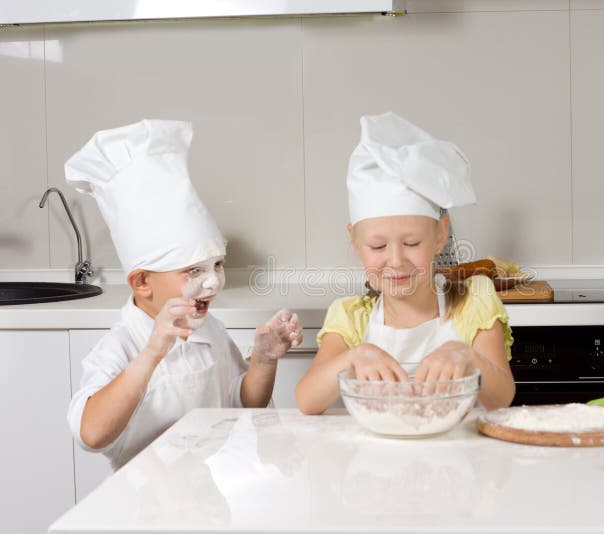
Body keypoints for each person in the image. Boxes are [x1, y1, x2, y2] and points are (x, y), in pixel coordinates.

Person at [66, 119, 302, 469]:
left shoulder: (211, 332)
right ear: (142, 282)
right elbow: (91, 435)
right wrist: (152, 353)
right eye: (193, 271)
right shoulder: (122, 346)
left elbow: (243, 405)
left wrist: (264, 360)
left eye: (217, 265)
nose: (213, 283)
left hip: (211, 500)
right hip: (144, 510)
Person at [295, 112, 515, 414]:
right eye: (378, 245)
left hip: (457, 455)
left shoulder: (472, 304)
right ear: (356, 242)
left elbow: (502, 397)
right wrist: (353, 357)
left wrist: (465, 356)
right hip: (372, 459)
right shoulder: (351, 319)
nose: (396, 261)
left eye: (412, 244)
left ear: (440, 235)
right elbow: (306, 401)